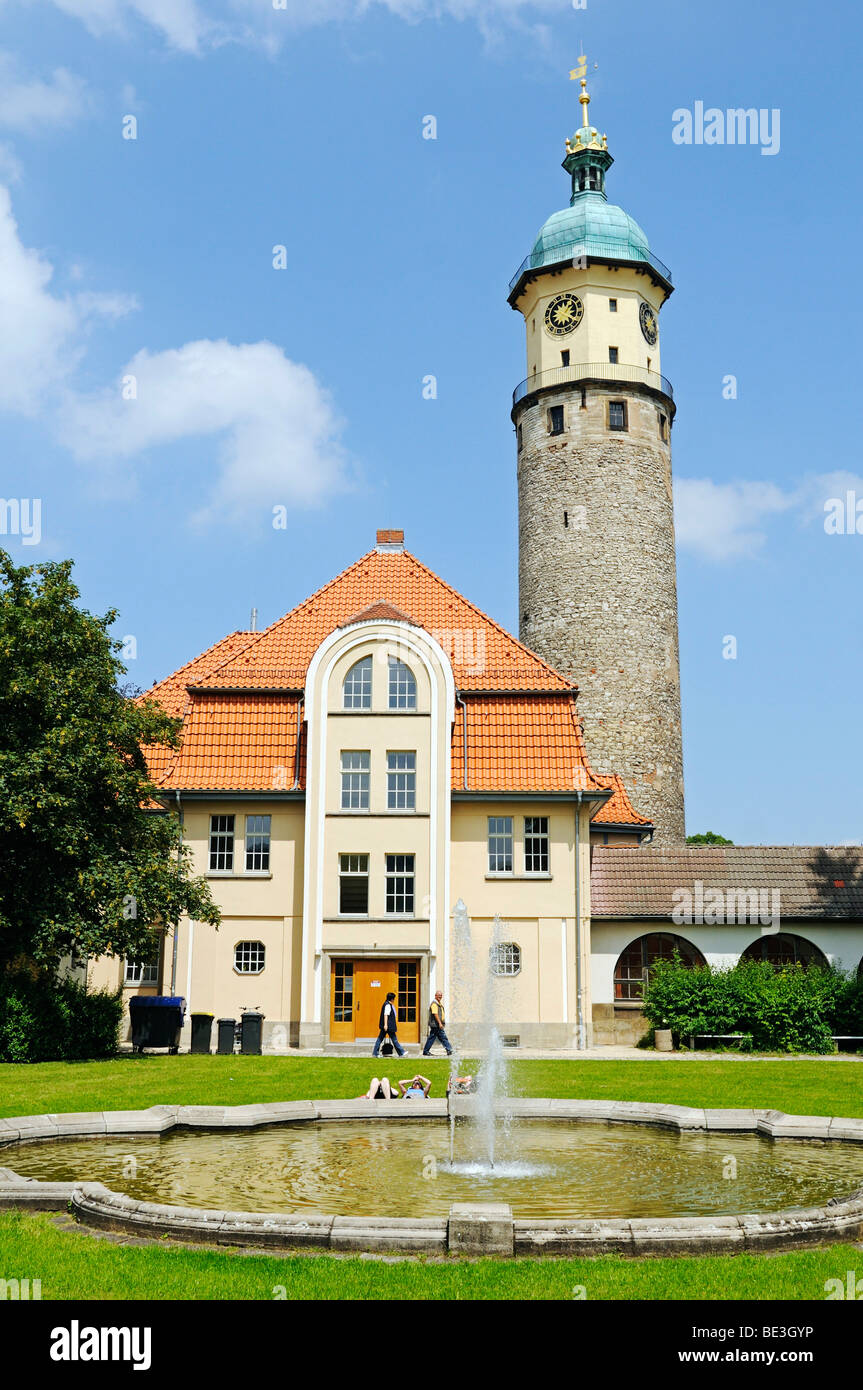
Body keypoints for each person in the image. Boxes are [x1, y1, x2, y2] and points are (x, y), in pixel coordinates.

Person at [372, 991, 405, 1058]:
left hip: (388, 1026)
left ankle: (375, 1053)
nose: (394, 1000)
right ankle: (401, 1052)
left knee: (380, 1039)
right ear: (392, 999)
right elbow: (386, 1015)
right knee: (394, 1040)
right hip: (388, 1026)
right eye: (394, 999)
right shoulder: (387, 1005)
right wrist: (385, 1025)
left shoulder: (387, 1004)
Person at [422, 990, 453, 1057]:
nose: (440, 996)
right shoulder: (434, 1004)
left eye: (441, 995)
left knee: (434, 1038)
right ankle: (449, 1050)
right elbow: (435, 1014)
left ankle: (426, 1051)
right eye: (438, 995)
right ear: (435, 996)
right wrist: (440, 1023)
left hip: (437, 1024)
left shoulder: (438, 1003)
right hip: (436, 1024)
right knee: (443, 1037)